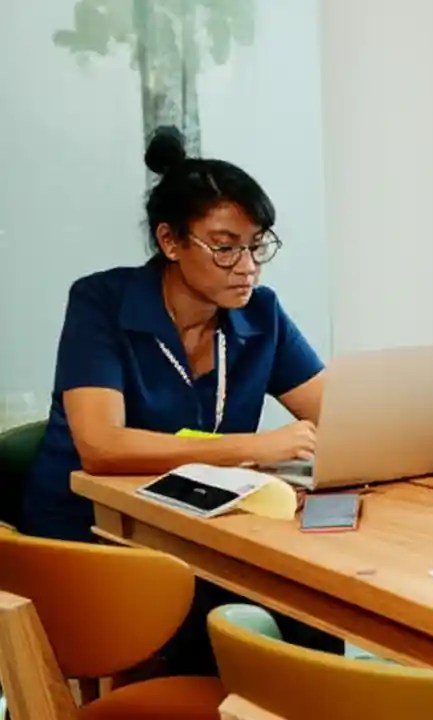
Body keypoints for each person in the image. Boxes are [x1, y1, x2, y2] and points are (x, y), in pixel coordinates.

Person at [20, 127, 339, 675]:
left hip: (204, 536)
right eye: (224, 247)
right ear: (170, 242)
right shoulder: (101, 302)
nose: (247, 266)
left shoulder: (260, 314)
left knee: (318, 617)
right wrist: (255, 448)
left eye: (257, 244)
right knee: (251, 630)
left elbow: (341, 415)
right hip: (96, 541)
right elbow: (101, 447)